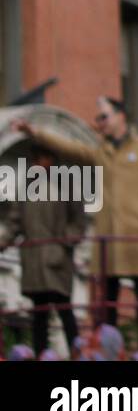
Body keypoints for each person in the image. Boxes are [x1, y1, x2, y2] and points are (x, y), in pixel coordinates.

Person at [14, 96, 138, 347]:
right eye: (98, 118)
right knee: (108, 299)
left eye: (103, 117)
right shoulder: (100, 151)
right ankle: (108, 349)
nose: (99, 123)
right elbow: (68, 147)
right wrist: (34, 132)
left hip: (136, 236)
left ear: (121, 116)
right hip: (108, 239)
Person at [0, 143, 86, 355]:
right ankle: (41, 355)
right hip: (34, 260)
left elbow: (78, 222)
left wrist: (64, 242)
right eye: (38, 159)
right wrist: (3, 241)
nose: (41, 164)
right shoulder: (27, 189)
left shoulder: (67, 187)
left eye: (45, 159)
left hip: (57, 260)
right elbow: (15, 221)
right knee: (40, 312)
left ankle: (77, 354)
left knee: (64, 309)